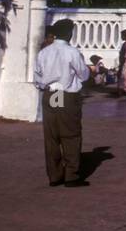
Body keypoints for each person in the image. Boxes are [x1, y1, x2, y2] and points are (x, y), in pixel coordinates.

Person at [33, 19, 93, 187]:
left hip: (52, 93)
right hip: (66, 95)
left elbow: (37, 77)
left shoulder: (44, 52)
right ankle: (71, 175)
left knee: (52, 135)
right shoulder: (72, 52)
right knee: (71, 134)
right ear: (68, 34)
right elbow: (84, 75)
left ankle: (55, 175)